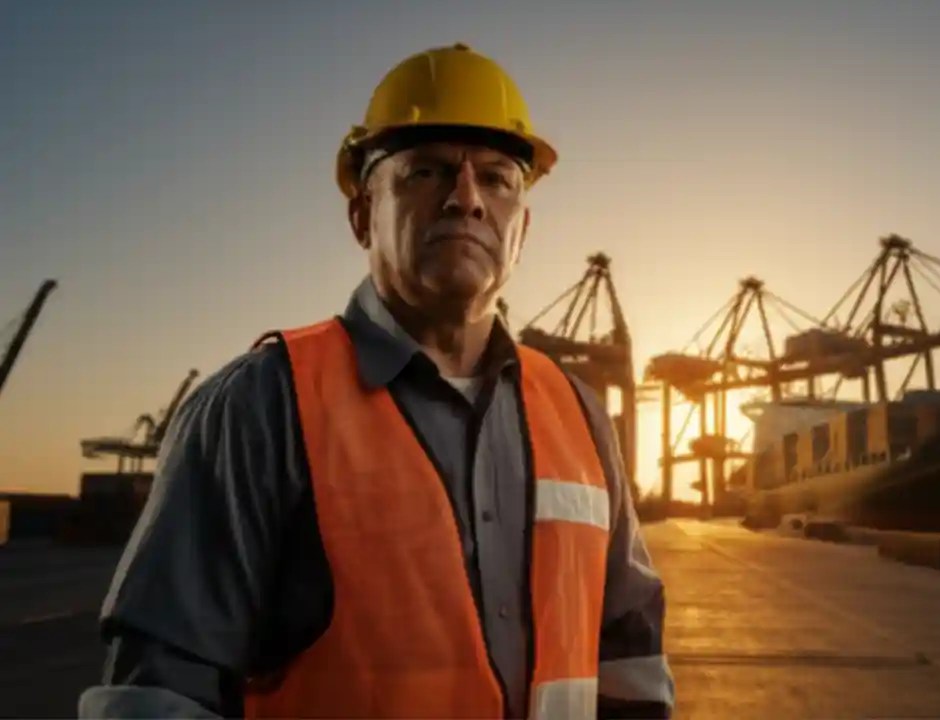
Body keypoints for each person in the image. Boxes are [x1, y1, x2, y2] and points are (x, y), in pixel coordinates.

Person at [78, 43, 674, 720]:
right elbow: (157, 695)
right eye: (427, 172)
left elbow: (629, 654)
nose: (466, 201)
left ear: (523, 229)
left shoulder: (581, 418)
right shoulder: (259, 408)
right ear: (362, 213)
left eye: (499, 178)